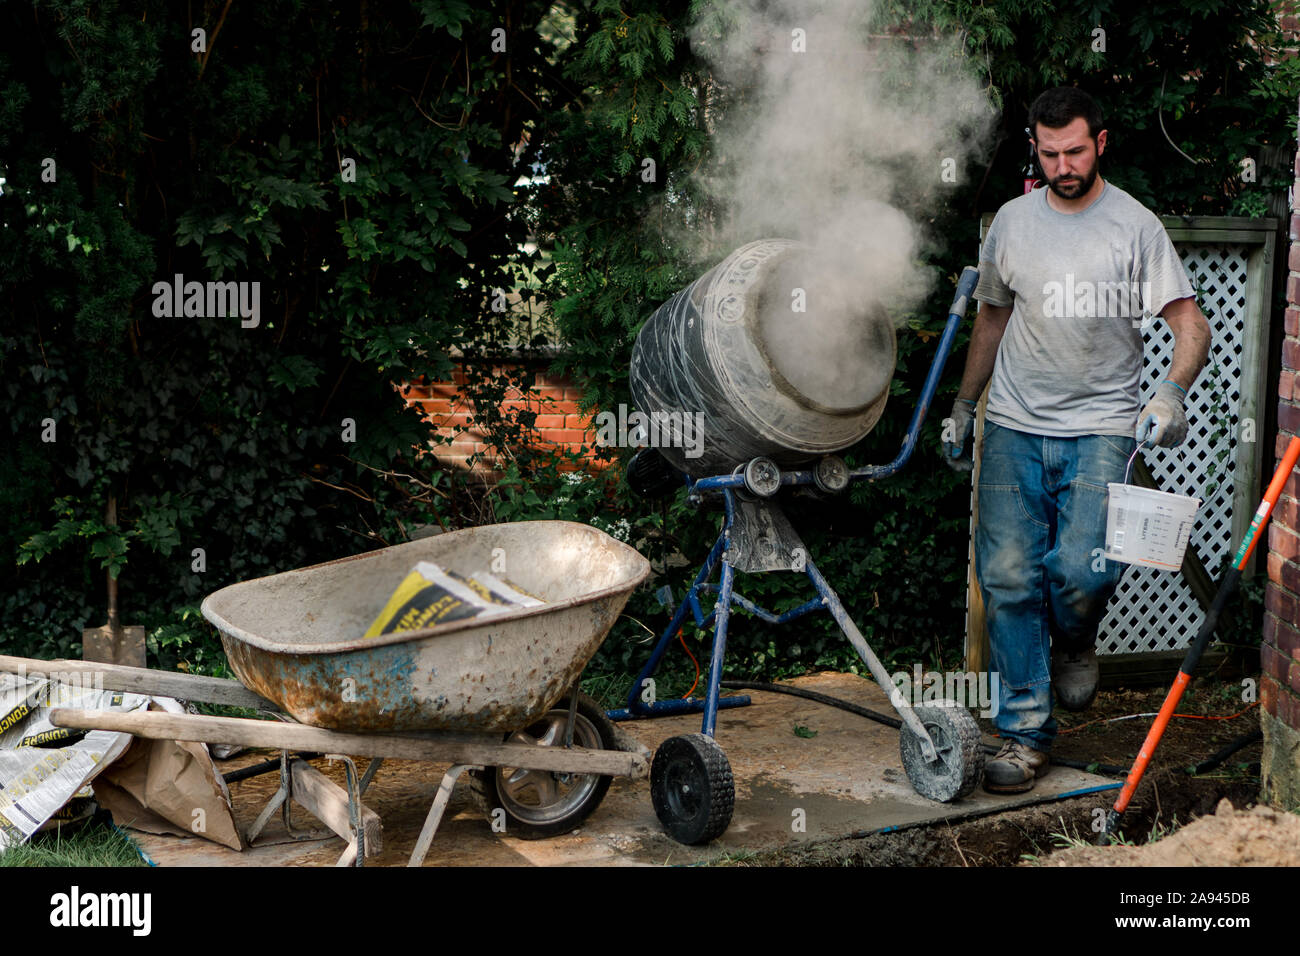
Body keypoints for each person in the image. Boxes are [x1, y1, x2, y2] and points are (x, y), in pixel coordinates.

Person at [942, 87, 1211, 793]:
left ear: (1102, 143)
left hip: (1102, 428)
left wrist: (1172, 392)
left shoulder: (1135, 227)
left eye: (1075, 150)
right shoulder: (1010, 223)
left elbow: (1191, 324)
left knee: (1084, 570)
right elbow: (991, 321)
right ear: (1036, 146)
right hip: (1014, 426)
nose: (1063, 164)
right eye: (1049, 151)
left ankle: (1078, 640)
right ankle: (1025, 735)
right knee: (1006, 579)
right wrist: (966, 406)